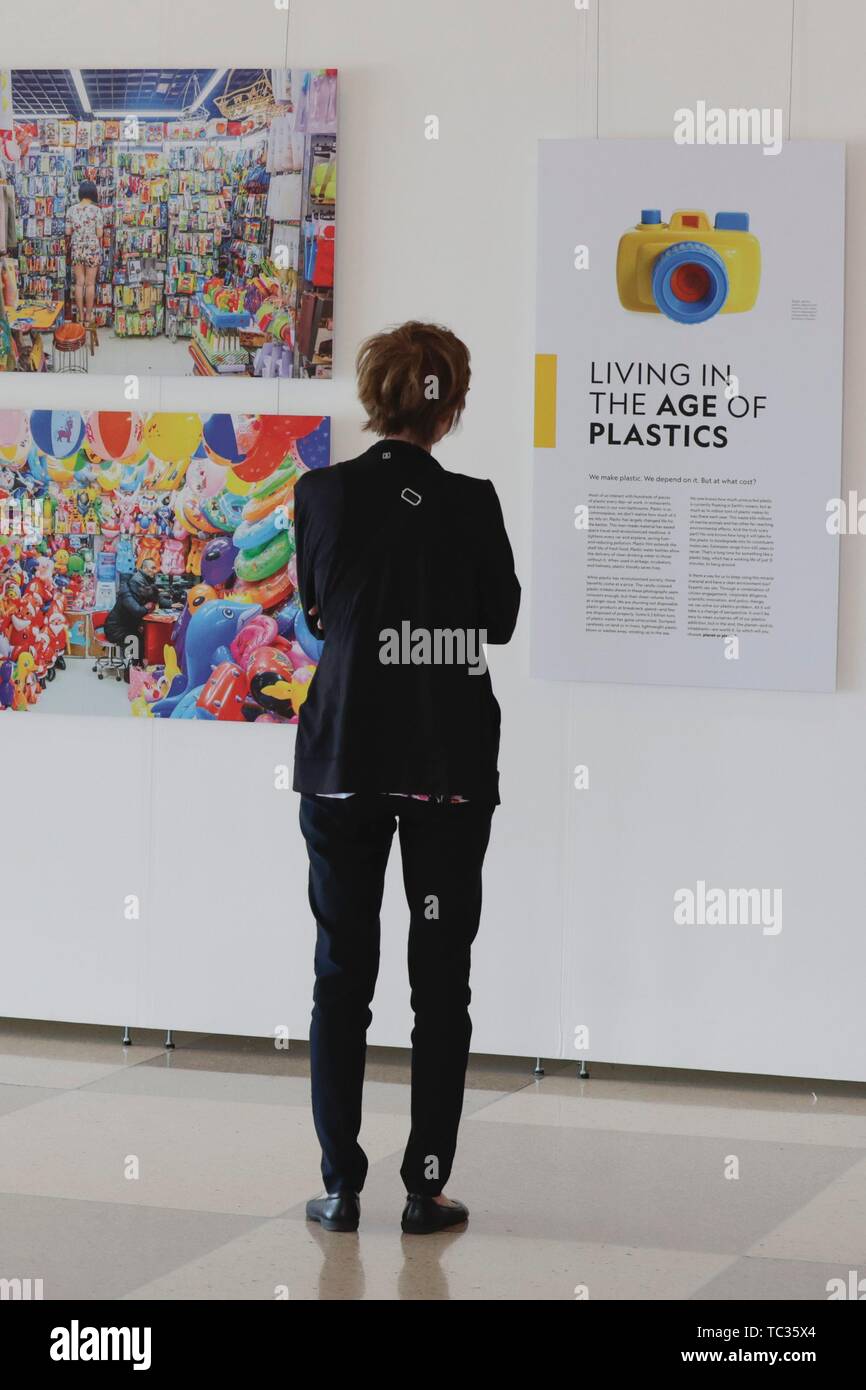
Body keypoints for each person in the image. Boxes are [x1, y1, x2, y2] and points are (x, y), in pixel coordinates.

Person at [294, 322, 521, 1235]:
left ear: (372, 397)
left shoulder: (323, 493)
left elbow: (316, 613)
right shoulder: (473, 503)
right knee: (443, 983)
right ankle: (424, 1188)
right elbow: (498, 622)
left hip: (347, 759)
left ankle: (340, 1187)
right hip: (448, 768)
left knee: (341, 974)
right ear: (450, 405)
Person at [65, 180, 103, 349]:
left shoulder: (71, 210)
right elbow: (100, 233)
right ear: (93, 193)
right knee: (90, 283)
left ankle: (79, 316)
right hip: (92, 249)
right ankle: (88, 316)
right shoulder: (97, 211)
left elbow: (67, 232)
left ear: (80, 193)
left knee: (79, 283)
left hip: (77, 249)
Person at [103, 556, 160, 663]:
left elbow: (154, 599)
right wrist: (147, 607)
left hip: (126, 627)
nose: (155, 571)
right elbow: (137, 610)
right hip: (115, 629)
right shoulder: (127, 593)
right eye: (152, 568)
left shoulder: (138, 588)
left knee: (142, 638)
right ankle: (130, 670)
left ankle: (137, 666)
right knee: (135, 640)